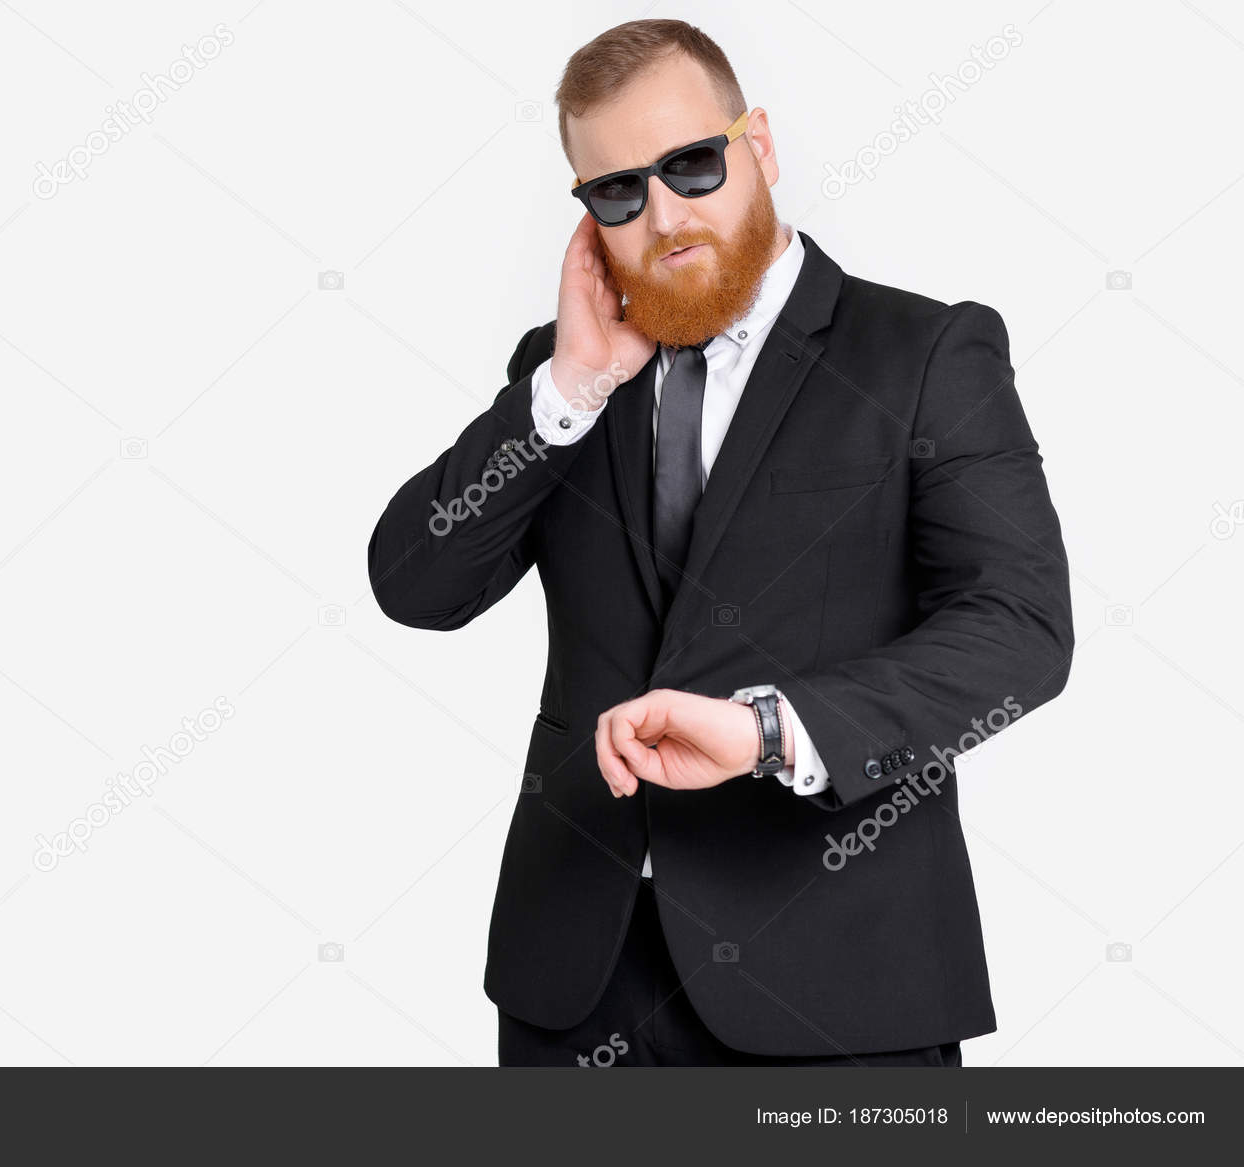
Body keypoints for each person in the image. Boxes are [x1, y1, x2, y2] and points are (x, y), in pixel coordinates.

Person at [367, 18, 1073, 1067]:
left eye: (692, 164)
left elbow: (1018, 629)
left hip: (836, 984)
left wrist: (772, 732)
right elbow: (416, 583)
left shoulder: (923, 354)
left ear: (761, 147)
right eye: (619, 192)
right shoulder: (564, 376)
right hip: (577, 982)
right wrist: (568, 390)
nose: (664, 216)